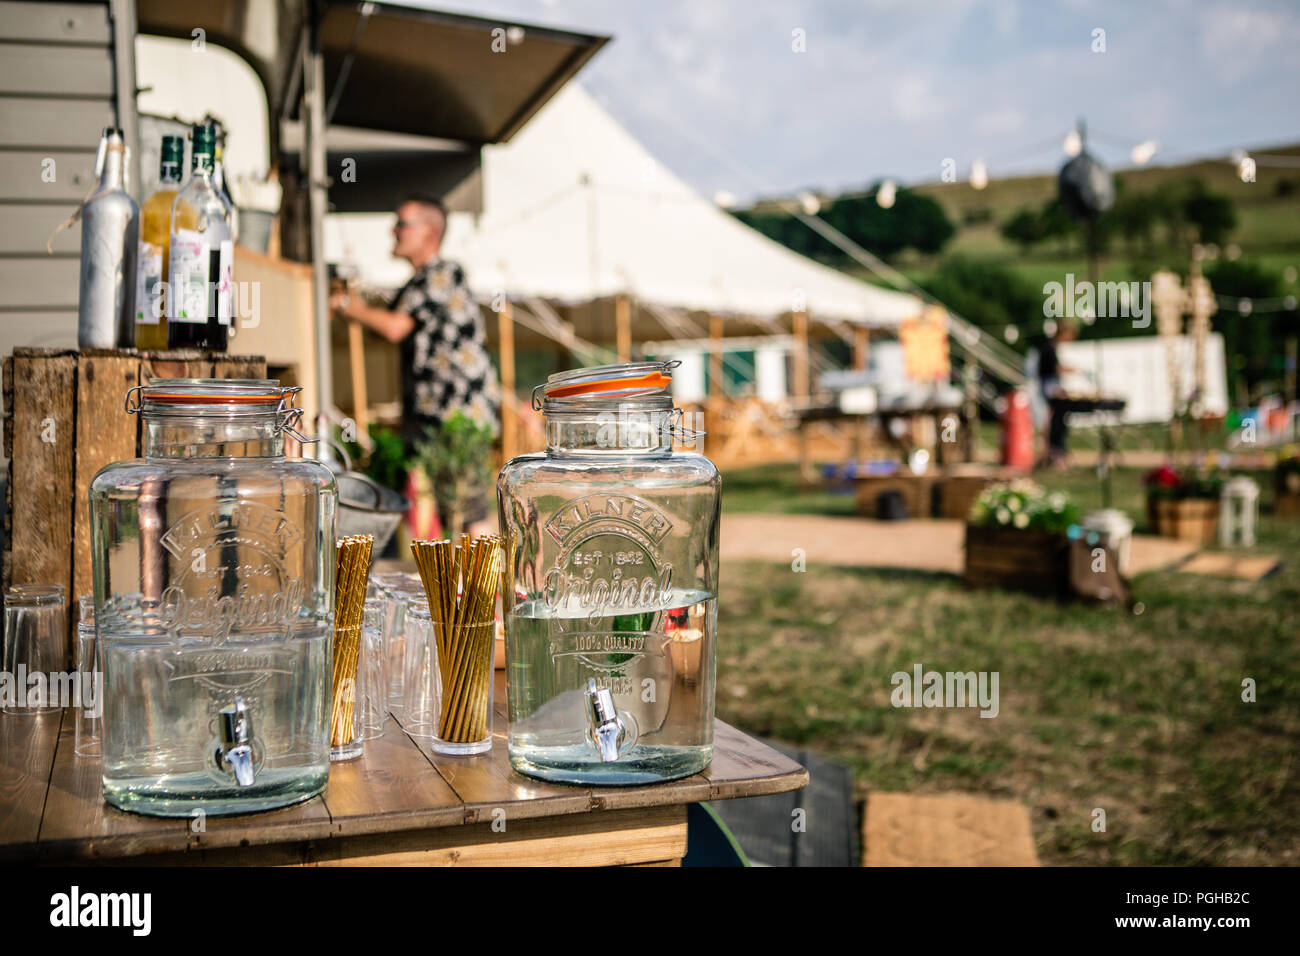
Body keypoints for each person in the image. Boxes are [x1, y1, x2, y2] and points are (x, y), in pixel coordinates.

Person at [330, 195, 500, 536]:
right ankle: (474, 585)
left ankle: (489, 588)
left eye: (402, 223)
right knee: (454, 513)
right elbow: (394, 323)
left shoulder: (442, 274)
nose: (394, 230)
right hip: (442, 418)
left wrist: (346, 305)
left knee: (468, 514)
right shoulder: (421, 282)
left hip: (457, 418)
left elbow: (395, 327)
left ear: (429, 232)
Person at [1038, 322, 1077, 467]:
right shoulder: (1049, 348)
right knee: (1055, 421)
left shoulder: (1051, 348)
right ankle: (1055, 451)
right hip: (1049, 388)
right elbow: (1053, 370)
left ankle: (1057, 450)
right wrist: (1072, 370)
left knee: (1058, 419)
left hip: (1050, 387)